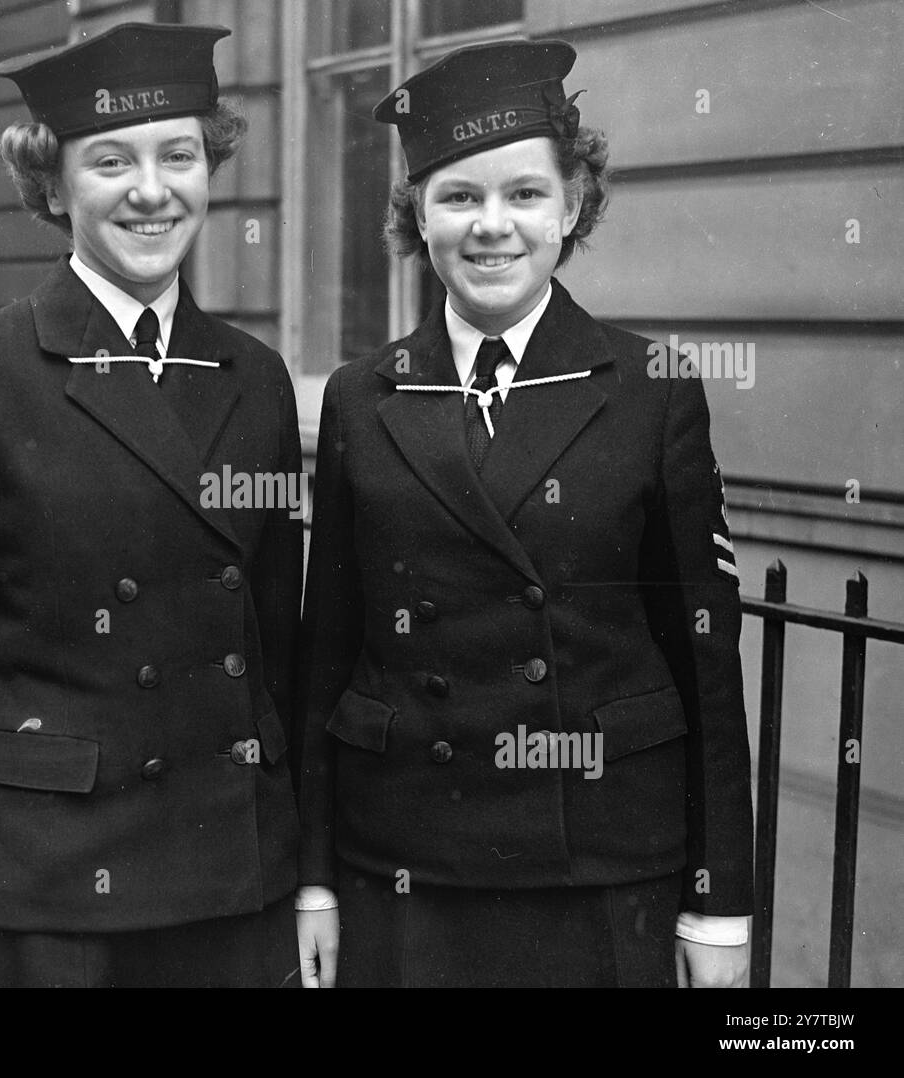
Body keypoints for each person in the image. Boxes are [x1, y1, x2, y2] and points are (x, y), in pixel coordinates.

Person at [294, 39, 754, 988]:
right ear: (417, 216)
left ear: (572, 206)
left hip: (600, 863)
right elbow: (327, 650)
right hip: (406, 863)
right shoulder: (359, 395)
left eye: (524, 195)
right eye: (458, 197)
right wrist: (314, 884)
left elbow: (705, 656)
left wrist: (719, 902)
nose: (490, 226)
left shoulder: (649, 388)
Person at [0, 22, 303, 988]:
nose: (152, 191)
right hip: (49, 892)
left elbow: (280, 649)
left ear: (208, 169)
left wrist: (306, 877)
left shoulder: (256, 375)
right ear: (55, 186)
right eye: (112, 161)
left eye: (178, 155)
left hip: (236, 880)